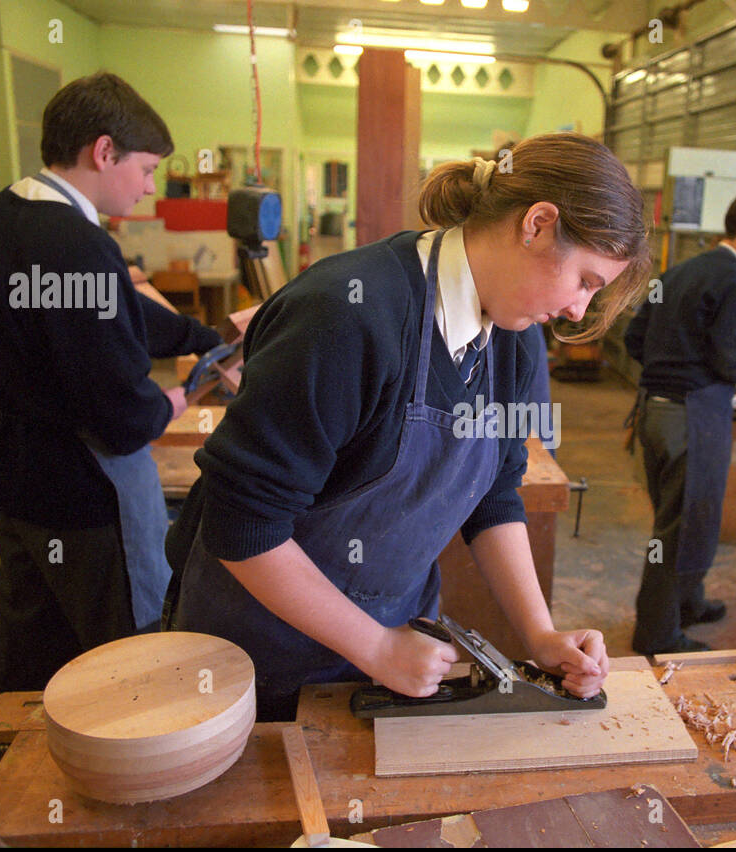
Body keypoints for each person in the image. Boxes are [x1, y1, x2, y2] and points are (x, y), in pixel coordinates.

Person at [166, 133, 649, 720]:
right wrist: (374, 646)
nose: (578, 309)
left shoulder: (513, 340)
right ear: (538, 225)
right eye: (586, 281)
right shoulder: (348, 315)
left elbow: (493, 496)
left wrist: (541, 635)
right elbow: (243, 525)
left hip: (393, 642)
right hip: (258, 654)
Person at [0, 73, 223, 711]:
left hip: (16, 470)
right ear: (103, 152)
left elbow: (119, 312)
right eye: (144, 169)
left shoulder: (5, 212)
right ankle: (133, 781)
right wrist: (185, 394)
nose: (148, 186)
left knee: (31, 635)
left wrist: (202, 335)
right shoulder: (79, 243)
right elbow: (122, 418)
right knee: (131, 648)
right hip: (84, 488)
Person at [623, 186, 736, 655]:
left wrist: (669, 368)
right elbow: (734, 363)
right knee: (681, 529)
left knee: (685, 518)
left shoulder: (679, 270)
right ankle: (656, 634)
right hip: (692, 418)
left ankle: (687, 603)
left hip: (654, 414)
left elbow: (635, 339)